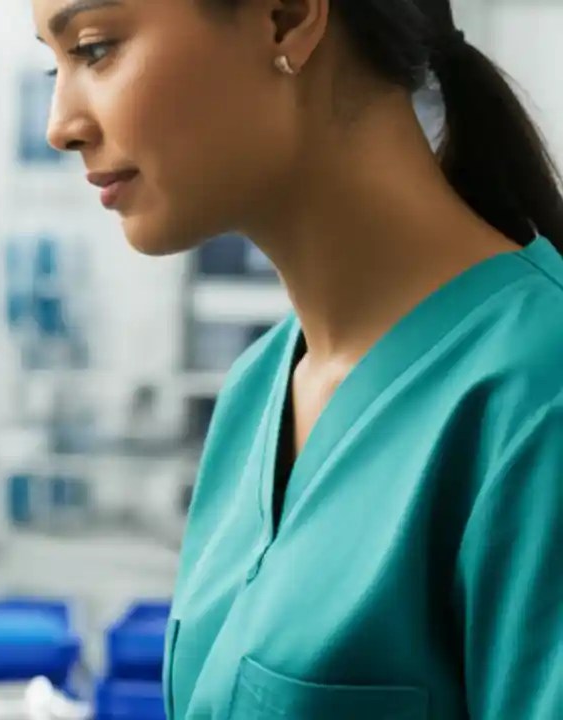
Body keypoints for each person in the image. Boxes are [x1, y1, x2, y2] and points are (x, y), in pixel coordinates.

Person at [34, 0, 563, 717]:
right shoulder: (258, 388)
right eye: (53, 62)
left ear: (286, 19)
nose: (60, 125)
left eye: (95, 49)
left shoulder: (537, 401)